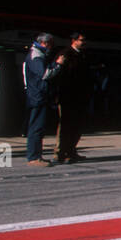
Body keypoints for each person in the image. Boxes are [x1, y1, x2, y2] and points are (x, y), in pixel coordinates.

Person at [23, 33, 65, 167]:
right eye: (50, 44)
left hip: (38, 95)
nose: (51, 47)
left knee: (37, 127)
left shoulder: (37, 55)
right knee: (36, 127)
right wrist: (57, 65)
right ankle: (34, 157)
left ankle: (36, 155)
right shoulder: (36, 56)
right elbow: (45, 74)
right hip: (38, 95)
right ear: (44, 43)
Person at [55, 32, 93, 164]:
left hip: (80, 96)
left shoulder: (83, 55)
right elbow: (61, 75)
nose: (84, 42)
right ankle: (61, 152)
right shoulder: (66, 54)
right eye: (81, 40)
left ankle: (71, 150)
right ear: (73, 40)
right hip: (68, 95)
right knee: (66, 125)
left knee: (77, 126)